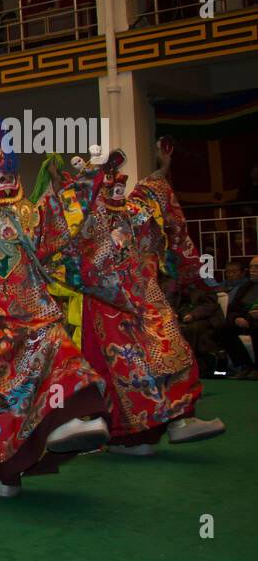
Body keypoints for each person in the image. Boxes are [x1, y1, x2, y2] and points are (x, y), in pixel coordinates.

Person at [0, 141, 110, 499]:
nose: (1, 181)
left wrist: (88, 177)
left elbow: (59, 226)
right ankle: (8, 472)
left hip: (31, 312)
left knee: (60, 352)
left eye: (7, 175)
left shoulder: (27, 213)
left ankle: (67, 420)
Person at [58, 140, 226, 454]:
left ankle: (179, 420)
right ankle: (129, 436)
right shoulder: (81, 212)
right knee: (129, 368)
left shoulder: (130, 209)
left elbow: (152, 196)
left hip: (143, 295)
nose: (113, 184)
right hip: (107, 300)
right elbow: (75, 258)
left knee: (171, 350)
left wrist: (162, 170)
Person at [218, 255, 258, 378]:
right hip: (244, 320)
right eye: (251, 267)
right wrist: (236, 318)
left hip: (255, 321)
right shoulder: (246, 286)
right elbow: (233, 309)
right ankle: (244, 365)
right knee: (223, 329)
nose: (252, 270)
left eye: (256, 267)